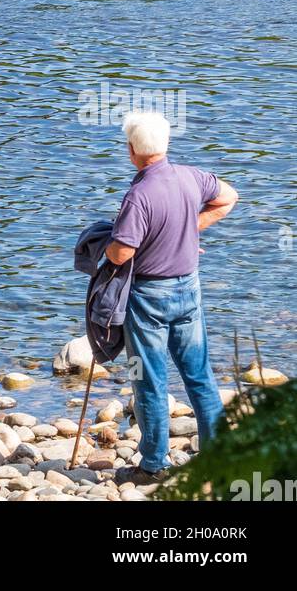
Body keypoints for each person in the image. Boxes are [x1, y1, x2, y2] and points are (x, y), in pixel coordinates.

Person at [106, 110, 238, 484]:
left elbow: (121, 253)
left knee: (149, 379)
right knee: (199, 376)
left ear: (132, 151)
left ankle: (152, 465)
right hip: (189, 290)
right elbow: (229, 197)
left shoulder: (139, 195)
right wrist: (189, 230)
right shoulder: (191, 177)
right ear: (164, 144)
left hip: (150, 297)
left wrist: (104, 248)